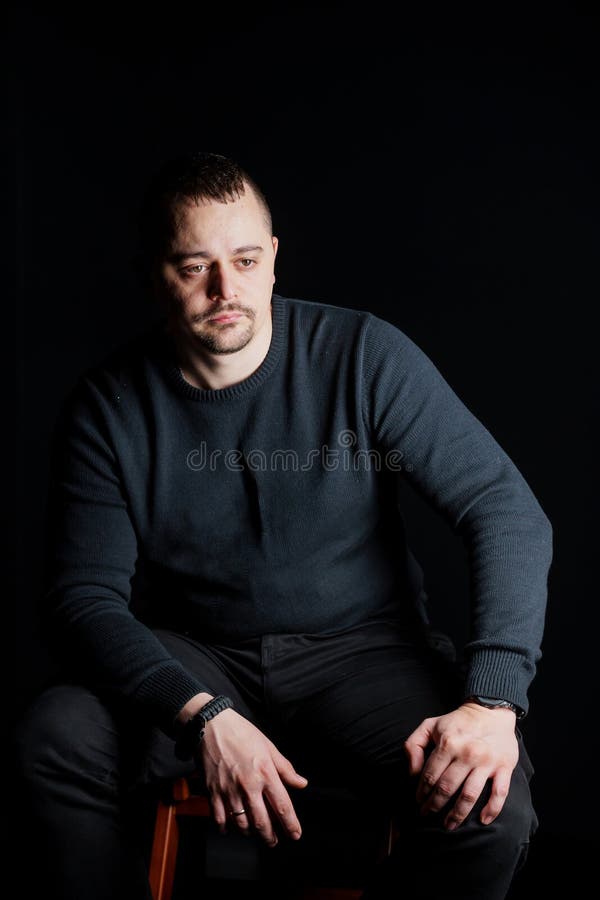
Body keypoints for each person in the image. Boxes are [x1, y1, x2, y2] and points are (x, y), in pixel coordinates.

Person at [13, 152, 553, 900]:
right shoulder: (108, 407)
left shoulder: (364, 355)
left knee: (489, 804)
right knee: (54, 738)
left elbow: (503, 509)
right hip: (198, 657)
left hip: (363, 654)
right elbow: (81, 601)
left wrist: (495, 699)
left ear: (272, 260)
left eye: (242, 259)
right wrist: (201, 715)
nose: (224, 289)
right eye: (194, 265)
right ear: (155, 275)